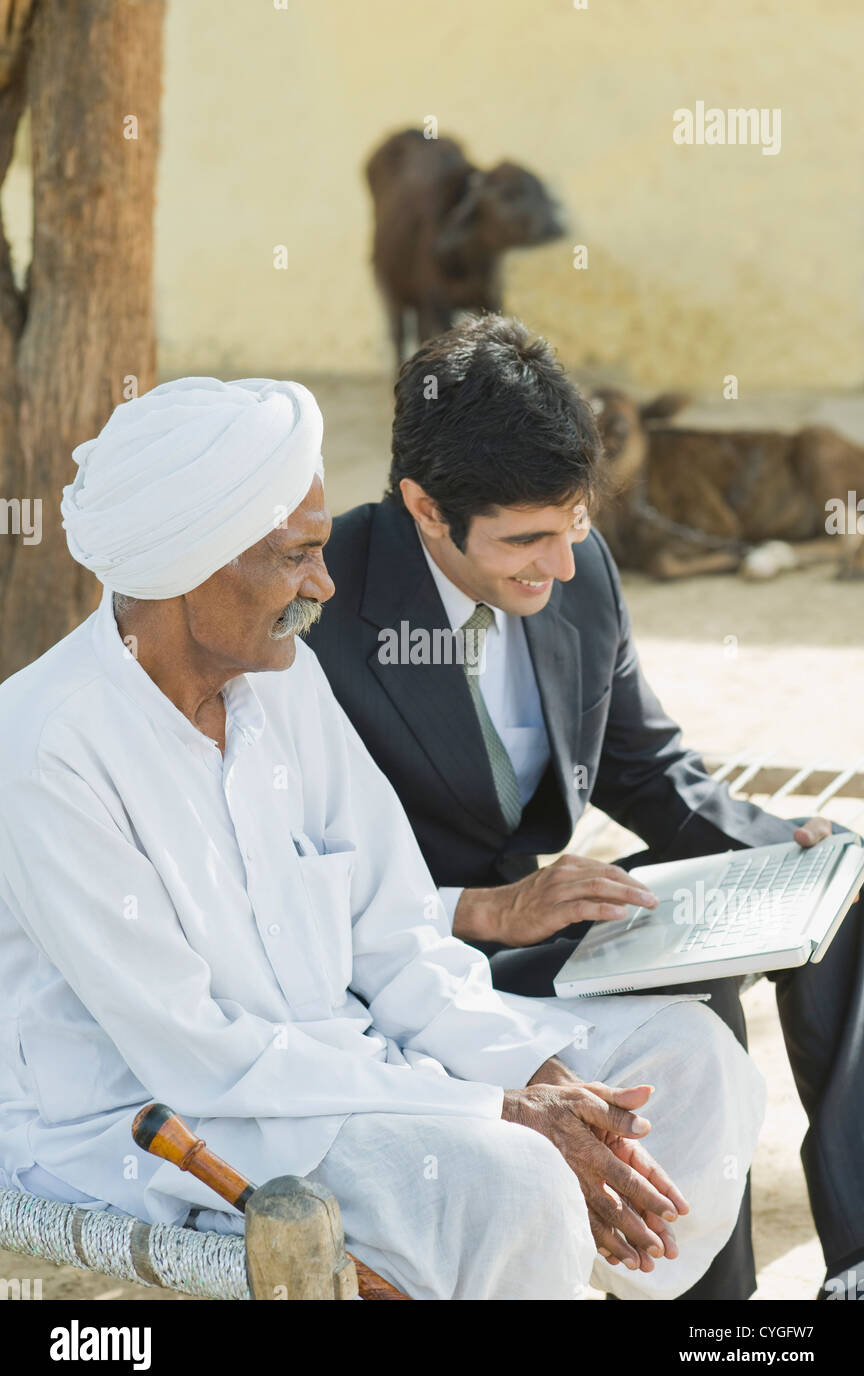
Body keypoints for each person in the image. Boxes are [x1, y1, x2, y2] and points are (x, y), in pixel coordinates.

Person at [0, 375, 762, 1301]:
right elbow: (197, 1055)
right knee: (512, 1181)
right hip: (168, 1129)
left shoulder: (282, 681)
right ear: (191, 566)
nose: (323, 585)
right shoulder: (46, 747)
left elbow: (395, 937)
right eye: (298, 557)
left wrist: (533, 1067)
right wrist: (498, 1108)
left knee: (690, 1061)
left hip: (350, 1068)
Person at [305, 314, 864, 1301]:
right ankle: (710, 1305)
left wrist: (782, 848)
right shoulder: (320, 607)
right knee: (695, 1002)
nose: (561, 568)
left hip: (548, 915)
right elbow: (279, 875)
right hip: (413, 957)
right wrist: (481, 908)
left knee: (842, 881)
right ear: (424, 507)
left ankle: (855, 1256)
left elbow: (643, 767)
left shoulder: (579, 559)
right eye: (526, 541)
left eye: (574, 528)